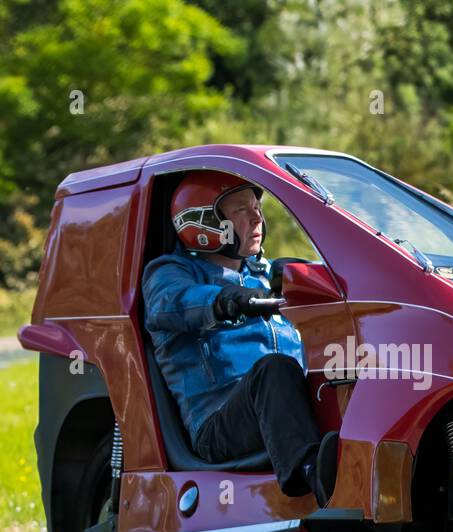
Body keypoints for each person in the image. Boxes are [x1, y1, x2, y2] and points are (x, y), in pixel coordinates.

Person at [141, 170, 338, 506]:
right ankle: (313, 475)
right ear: (203, 223)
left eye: (256, 207)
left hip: (288, 404)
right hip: (218, 424)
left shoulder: (265, 272)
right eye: (240, 210)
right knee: (273, 369)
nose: (257, 217)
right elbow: (170, 304)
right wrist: (224, 300)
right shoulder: (169, 273)